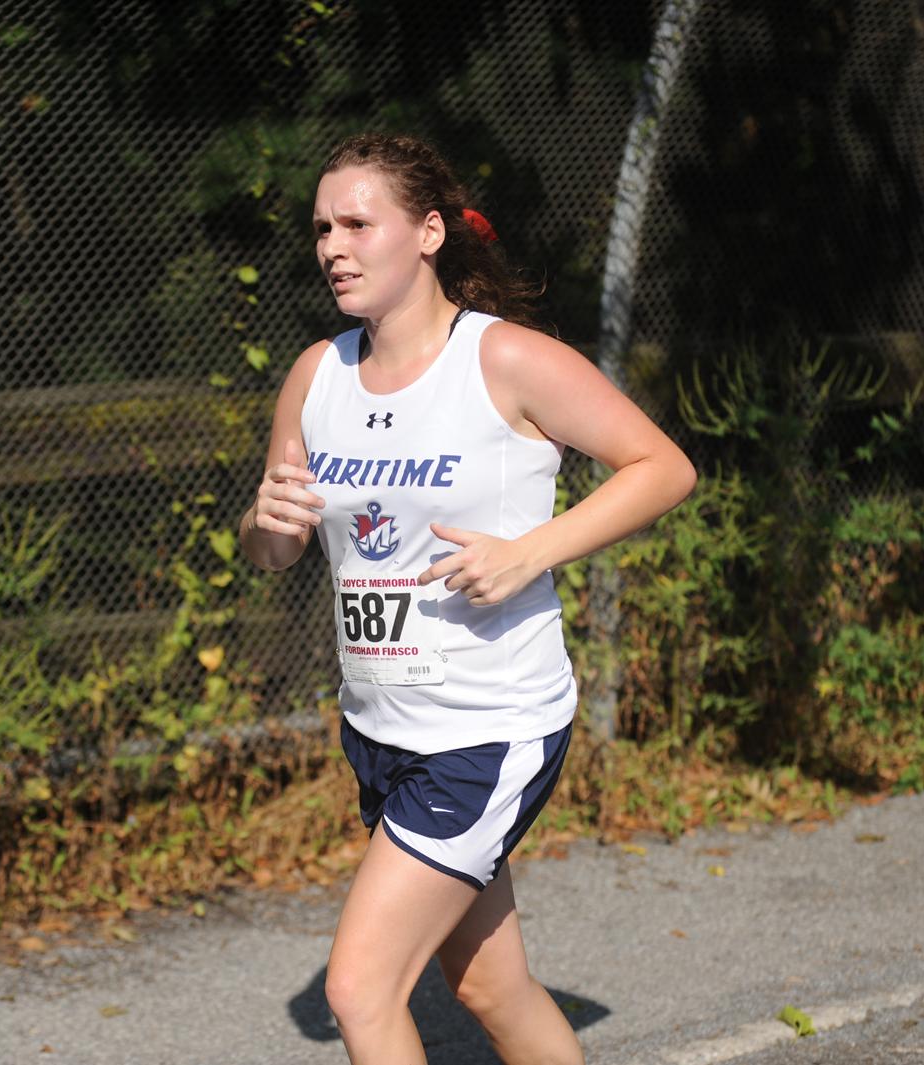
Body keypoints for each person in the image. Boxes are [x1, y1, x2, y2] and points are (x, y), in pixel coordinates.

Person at [238, 132, 696, 1065]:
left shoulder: (505, 361)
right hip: (381, 728)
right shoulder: (315, 377)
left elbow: (664, 467)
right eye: (323, 226)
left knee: (360, 990)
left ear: (430, 233)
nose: (333, 245)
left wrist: (531, 552)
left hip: (486, 730)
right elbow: (276, 550)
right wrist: (264, 521)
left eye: (359, 223)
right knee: (489, 984)